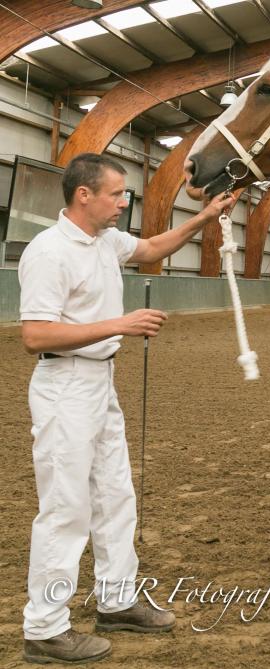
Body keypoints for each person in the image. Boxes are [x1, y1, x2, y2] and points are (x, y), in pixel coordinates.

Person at [17, 153, 234, 665]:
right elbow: (35, 334)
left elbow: (152, 247)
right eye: (117, 194)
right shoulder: (49, 252)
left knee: (116, 496)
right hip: (64, 386)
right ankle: (45, 628)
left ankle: (116, 601)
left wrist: (203, 218)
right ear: (84, 195)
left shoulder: (105, 241)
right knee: (65, 510)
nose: (123, 203)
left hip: (100, 383)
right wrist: (120, 324)